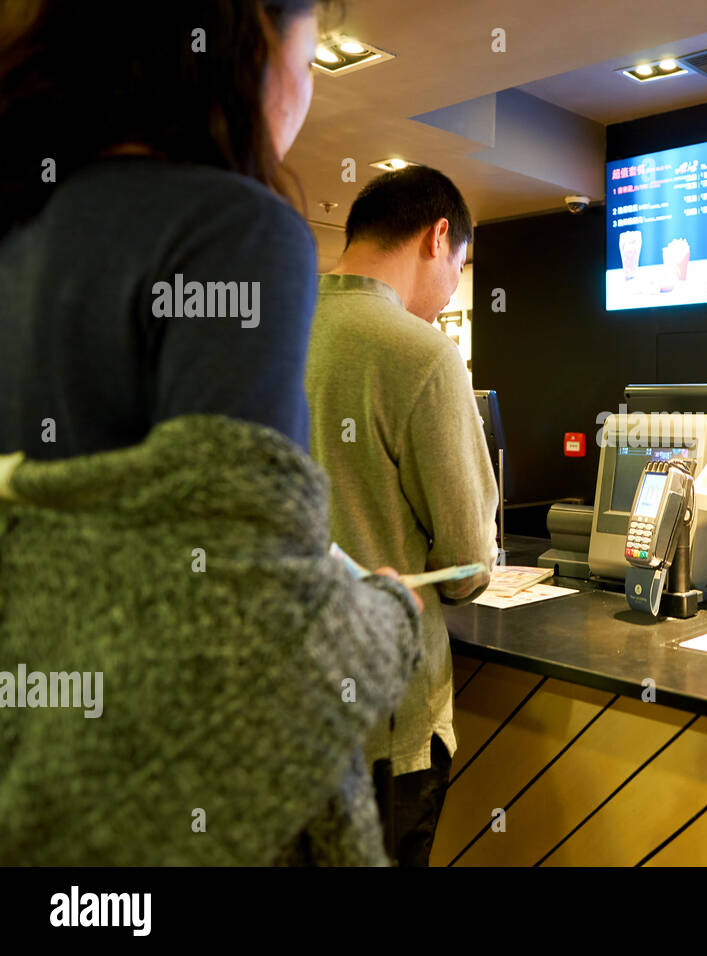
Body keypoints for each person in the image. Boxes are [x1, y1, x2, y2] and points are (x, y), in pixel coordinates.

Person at [0, 0, 425, 865]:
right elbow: (242, 650)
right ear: (253, 45)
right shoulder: (231, 228)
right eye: (306, 65)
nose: (302, 98)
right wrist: (385, 620)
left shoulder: (21, 225)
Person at [305, 165, 498, 866]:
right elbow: (469, 563)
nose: (452, 288)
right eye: (461, 267)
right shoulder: (422, 353)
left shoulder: (269, 334)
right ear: (438, 237)